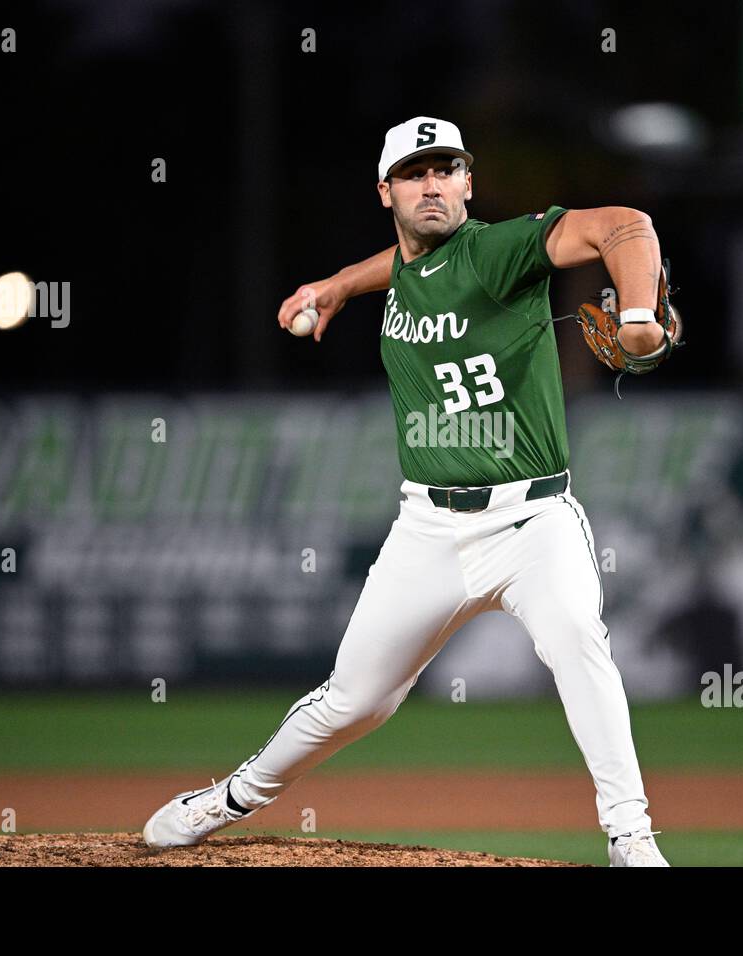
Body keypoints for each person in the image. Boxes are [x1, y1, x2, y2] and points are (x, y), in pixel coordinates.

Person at [143, 116, 671, 866]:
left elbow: (625, 225)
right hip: (426, 529)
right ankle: (228, 798)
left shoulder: (496, 249)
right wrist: (336, 286)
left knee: (580, 645)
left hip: (532, 523)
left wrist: (642, 315)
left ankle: (632, 838)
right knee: (354, 701)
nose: (433, 184)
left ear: (467, 183)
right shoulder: (411, 268)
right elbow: (403, 267)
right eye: (416, 172)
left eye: (447, 169)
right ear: (386, 191)